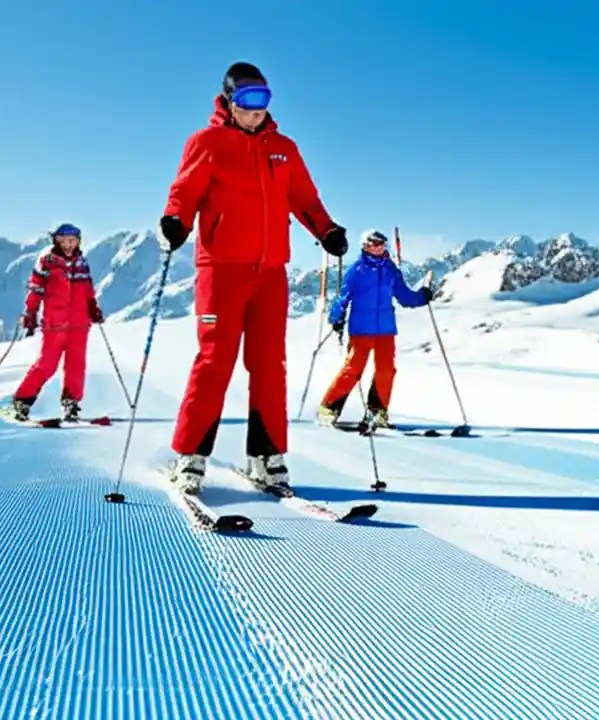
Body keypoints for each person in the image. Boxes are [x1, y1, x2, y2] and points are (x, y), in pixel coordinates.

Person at [157, 61, 349, 495]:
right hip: (221, 270)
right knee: (214, 362)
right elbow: (183, 192)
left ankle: (267, 456)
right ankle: (191, 455)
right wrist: (175, 221)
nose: (256, 110)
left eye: (263, 100)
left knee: (269, 364)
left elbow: (305, 199)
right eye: (247, 101)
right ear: (228, 101)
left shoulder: (284, 148)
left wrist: (327, 231)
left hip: (270, 273)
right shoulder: (206, 142)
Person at [318, 230, 433, 428]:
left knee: (386, 370)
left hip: (386, 330)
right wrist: (336, 317)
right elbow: (343, 296)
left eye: (381, 243)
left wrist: (422, 297)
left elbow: (404, 296)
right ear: (365, 246)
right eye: (374, 243)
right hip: (362, 329)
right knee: (353, 369)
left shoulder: (391, 270)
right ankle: (328, 408)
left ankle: (377, 411)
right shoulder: (357, 270)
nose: (378, 247)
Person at [2, 223, 104, 422]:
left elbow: (87, 288)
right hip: (55, 324)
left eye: (72, 241)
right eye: (63, 241)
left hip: (79, 323)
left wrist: (93, 307)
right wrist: (30, 312)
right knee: (46, 365)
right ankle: (21, 401)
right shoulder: (46, 261)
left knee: (76, 365)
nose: (68, 245)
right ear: (55, 241)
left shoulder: (82, 262)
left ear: (78, 241)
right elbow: (35, 289)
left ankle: (71, 404)